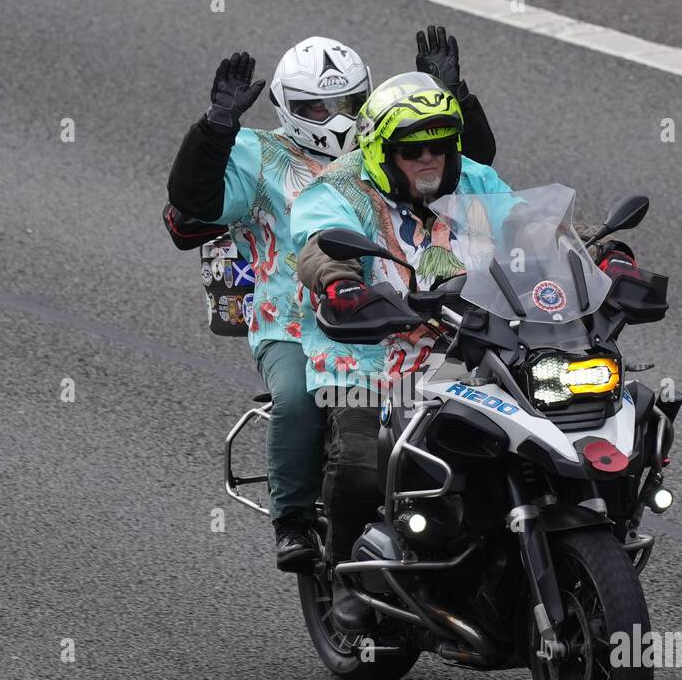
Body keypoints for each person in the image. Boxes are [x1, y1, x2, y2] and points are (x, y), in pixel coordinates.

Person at [164, 30, 497, 572]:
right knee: (298, 398)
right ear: (287, 108)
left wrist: (454, 95)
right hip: (296, 320)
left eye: (348, 102)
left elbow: (469, 177)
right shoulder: (257, 154)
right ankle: (293, 518)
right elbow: (193, 200)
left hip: (408, 313)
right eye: (317, 106)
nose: (335, 116)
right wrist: (215, 128)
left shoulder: (387, 144)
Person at [290, 71, 517, 630]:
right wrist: (340, 282)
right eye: (412, 150)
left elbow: (539, 228)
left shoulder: (476, 183)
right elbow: (317, 246)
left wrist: (601, 252)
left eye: (439, 147)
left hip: (472, 345)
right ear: (381, 150)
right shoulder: (339, 190)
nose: (428, 160)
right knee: (364, 461)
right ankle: (346, 574)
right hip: (367, 351)